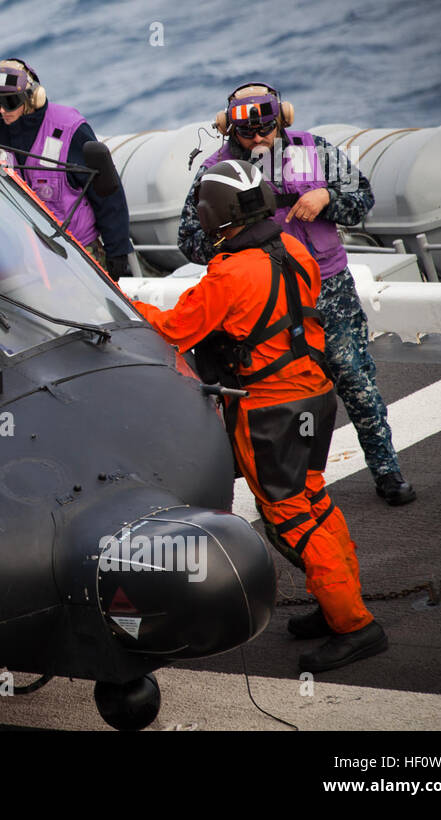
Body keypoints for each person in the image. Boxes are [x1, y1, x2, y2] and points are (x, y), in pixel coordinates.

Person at [139, 159, 387, 673]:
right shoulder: (294, 247)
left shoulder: (229, 274)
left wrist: (122, 306)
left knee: (291, 515)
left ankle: (355, 626)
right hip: (316, 394)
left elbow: (174, 329)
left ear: (215, 214)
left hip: (270, 408)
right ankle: (339, 604)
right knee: (315, 498)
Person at [177, 82, 415, 506]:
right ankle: (295, 490)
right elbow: (189, 240)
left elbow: (363, 199)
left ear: (282, 119)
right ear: (229, 128)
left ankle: (387, 471)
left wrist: (327, 197)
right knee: (285, 397)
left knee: (356, 381)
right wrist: (235, 238)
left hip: (329, 290)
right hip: (266, 305)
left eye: (264, 129)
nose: (256, 140)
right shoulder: (216, 171)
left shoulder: (315, 150)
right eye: (245, 133)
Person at [0, 58, 133, 276]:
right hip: (33, 259)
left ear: (32, 97)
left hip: (82, 252)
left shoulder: (69, 127)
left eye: (10, 102)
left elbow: (107, 193)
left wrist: (117, 251)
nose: (2, 110)